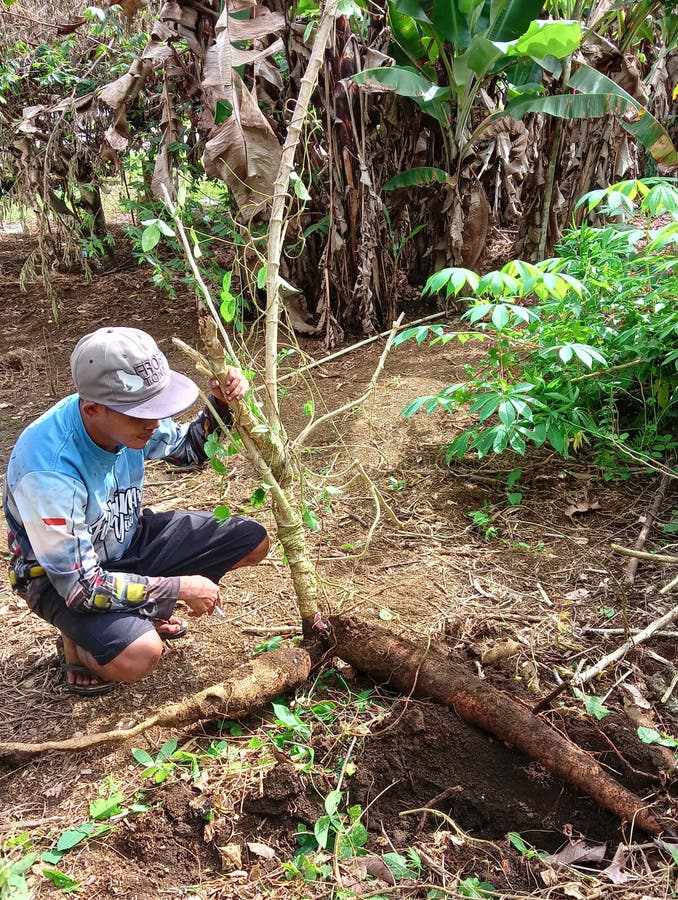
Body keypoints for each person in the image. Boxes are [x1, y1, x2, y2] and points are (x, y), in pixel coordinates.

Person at [3, 326, 270, 696]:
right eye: (143, 414)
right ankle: (77, 644)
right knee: (139, 654)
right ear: (92, 409)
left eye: (157, 408)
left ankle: (131, 611)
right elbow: (81, 588)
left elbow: (190, 452)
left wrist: (221, 403)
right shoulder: (48, 469)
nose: (156, 423)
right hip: (59, 580)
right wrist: (178, 587)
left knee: (252, 540)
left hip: (123, 538)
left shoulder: (126, 419)